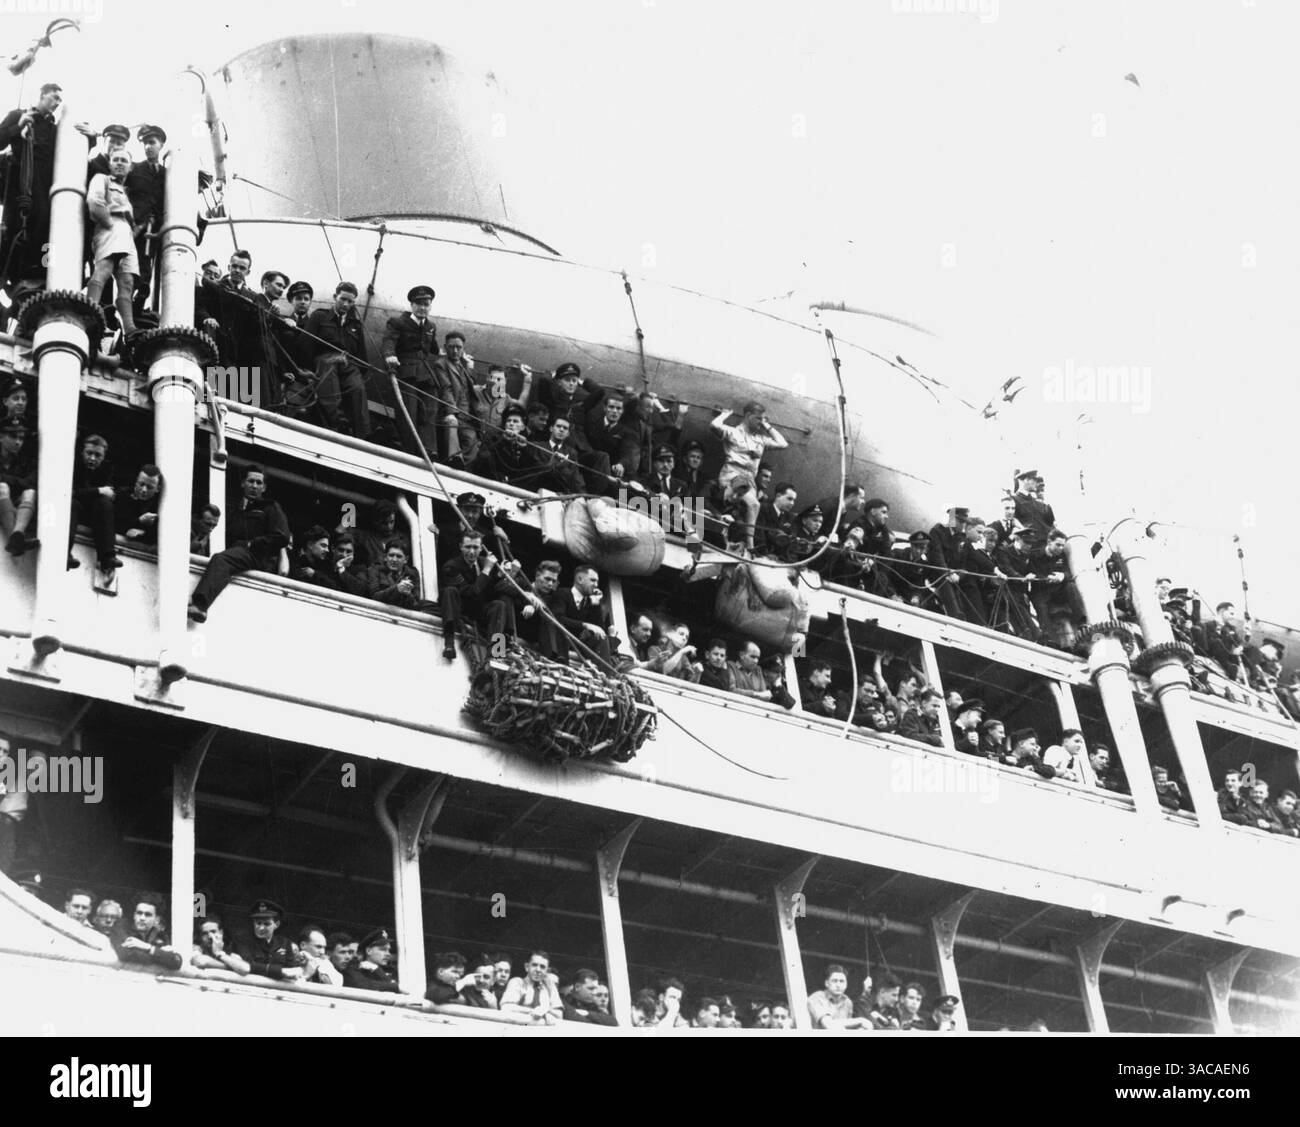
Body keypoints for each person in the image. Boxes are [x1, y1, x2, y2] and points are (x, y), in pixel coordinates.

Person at [187, 465, 291, 622]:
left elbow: (282, 536)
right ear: (243, 483)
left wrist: (252, 544)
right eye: (251, 481)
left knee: (221, 559)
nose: (254, 486)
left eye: (258, 483)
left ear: (264, 487)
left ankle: (200, 605)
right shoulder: (235, 509)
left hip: (257, 556)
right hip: (238, 553)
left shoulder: (271, 507)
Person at [0, 83, 61, 291]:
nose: (57, 103)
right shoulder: (18, 114)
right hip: (19, 185)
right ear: (42, 95)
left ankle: (39, 271)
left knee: (46, 225)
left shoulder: (53, 129)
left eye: (59, 100)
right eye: (54, 97)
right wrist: (18, 127)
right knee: (13, 230)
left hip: (44, 184)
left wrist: (91, 138)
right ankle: (14, 275)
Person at [438, 530, 521, 659]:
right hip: (459, 609)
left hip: (478, 610)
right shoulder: (451, 566)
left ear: (481, 548)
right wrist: (487, 569)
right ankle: (449, 643)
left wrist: (503, 575)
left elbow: (492, 590)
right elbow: (471, 592)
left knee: (499, 605)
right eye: (468, 547)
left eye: (475, 547)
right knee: (450, 591)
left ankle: (496, 653)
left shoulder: (484, 562)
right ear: (460, 547)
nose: (471, 552)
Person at [305, 281, 371, 439]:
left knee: (357, 388)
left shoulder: (355, 325)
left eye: (350, 301)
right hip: (325, 360)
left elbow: (361, 356)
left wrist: (357, 372)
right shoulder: (320, 316)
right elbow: (306, 345)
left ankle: (363, 434)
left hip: (347, 363)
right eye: (343, 299)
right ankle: (336, 425)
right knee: (330, 384)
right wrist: (307, 370)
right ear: (335, 297)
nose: (346, 304)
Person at [85, 149, 139, 338]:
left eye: (124, 160)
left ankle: (130, 329)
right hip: (111, 226)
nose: (120, 163)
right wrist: (109, 224)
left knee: (127, 281)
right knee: (105, 268)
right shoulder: (102, 179)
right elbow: (94, 202)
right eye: (116, 160)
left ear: (130, 167)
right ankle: (89, 313)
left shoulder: (125, 191)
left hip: (126, 233)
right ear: (109, 164)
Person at [381, 284, 439, 456]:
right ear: (412, 305)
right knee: (409, 411)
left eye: (426, 304)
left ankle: (428, 450)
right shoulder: (398, 322)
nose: (422, 308)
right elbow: (389, 341)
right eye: (419, 304)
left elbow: (433, 348)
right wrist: (390, 355)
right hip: (407, 371)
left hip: (426, 373)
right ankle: (410, 451)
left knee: (429, 411)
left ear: (430, 306)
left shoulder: (430, 326)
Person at [124, 124, 167, 310]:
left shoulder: (167, 175)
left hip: (155, 231)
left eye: (152, 142)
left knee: (148, 270)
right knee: (132, 268)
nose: (148, 147)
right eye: (145, 143)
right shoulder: (134, 169)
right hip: (134, 227)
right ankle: (133, 301)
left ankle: (141, 305)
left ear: (161, 144)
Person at [68, 434, 120, 572]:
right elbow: (70, 493)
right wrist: (98, 490)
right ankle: (65, 553)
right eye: (89, 453)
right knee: (73, 503)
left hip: (93, 515)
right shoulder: (73, 465)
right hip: (72, 513)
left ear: (103, 457)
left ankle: (107, 557)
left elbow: (110, 494)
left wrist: (96, 493)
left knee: (104, 503)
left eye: (97, 455)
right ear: (82, 452)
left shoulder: (107, 469)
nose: (92, 458)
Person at [110, 892, 183, 972]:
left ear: (157, 919)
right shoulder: (121, 927)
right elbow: (126, 955)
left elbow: (176, 961)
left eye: (147, 915)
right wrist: (161, 954)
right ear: (134, 915)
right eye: (139, 913)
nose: (142, 918)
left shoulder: (160, 935)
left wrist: (148, 947)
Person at [364, 539, 434, 611]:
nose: (394, 559)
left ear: (406, 559)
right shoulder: (375, 570)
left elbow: (416, 605)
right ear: (385, 557)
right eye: (391, 555)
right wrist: (397, 589)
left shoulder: (412, 574)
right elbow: (373, 596)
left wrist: (408, 594)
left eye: (399, 556)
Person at [243, 899, 305, 980]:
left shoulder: (285, 943)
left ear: (277, 924)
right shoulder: (243, 941)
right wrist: (280, 971)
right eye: (258, 923)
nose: (261, 928)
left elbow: (292, 970)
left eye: (266, 924)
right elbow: (246, 965)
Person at [0, 421, 37, 557]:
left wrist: (3, 477)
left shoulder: (25, 462)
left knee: (30, 492)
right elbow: (23, 482)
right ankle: (14, 538)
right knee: (2, 487)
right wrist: (16, 482)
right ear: (1, 437)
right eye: (13, 436)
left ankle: (17, 534)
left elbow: (29, 483)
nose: (17, 442)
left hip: (12, 505)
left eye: (21, 438)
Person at [500, 950, 564, 1024]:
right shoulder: (517, 983)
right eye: (534, 965)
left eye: (542, 967)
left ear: (547, 971)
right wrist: (533, 1011)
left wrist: (544, 1010)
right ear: (527, 967)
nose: (538, 970)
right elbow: (506, 1007)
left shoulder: (550, 988)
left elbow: (559, 1014)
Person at [807, 964, 869, 1030]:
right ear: (827, 983)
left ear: (846, 984)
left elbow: (847, 1028)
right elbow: (829, 1025)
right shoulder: (816, 998)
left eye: (841, 981)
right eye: (834, 981)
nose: (838, 985)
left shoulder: (847, 1002)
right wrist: (861, 1021)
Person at [115, 464, 163, 548]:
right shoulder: (123, 496)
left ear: (158, 489)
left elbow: (159, 535)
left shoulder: (159, 506)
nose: (144, 490)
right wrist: (139, 521)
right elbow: (115, 524)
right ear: (136, 482)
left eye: (149, 487)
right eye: (141, 484)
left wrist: (142, 533)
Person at [344, 928, 401, 992]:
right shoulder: (355, 970)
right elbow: (364, 985)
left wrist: (376, 969)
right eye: (383, 949)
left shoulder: (393, 971)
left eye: (389, 950)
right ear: (369, 951)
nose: (388, 954)